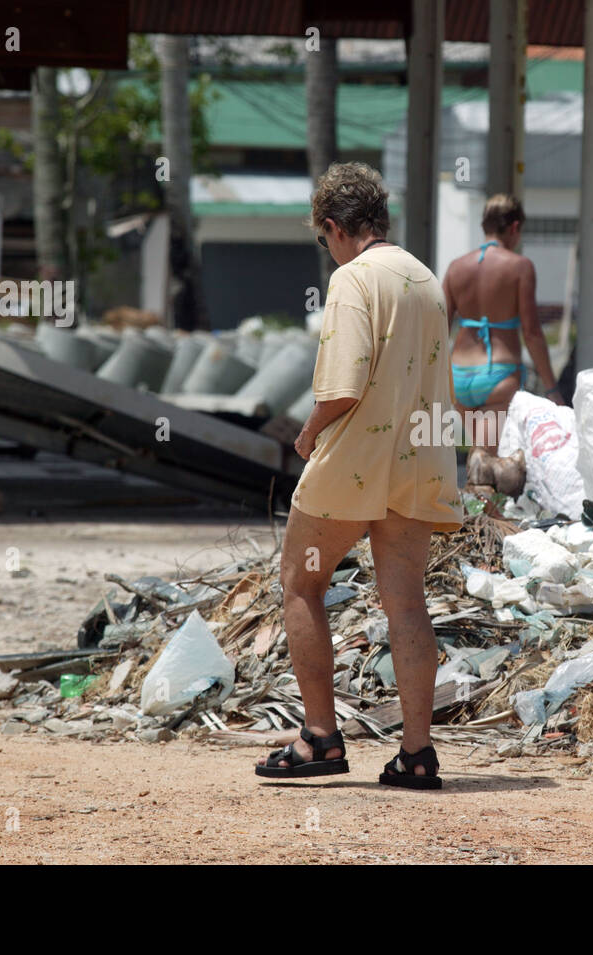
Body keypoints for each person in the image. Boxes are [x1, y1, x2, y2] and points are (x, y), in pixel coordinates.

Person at [255, 162, 464, 789]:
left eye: (324, 242)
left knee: (301, 584)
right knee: (406, 602)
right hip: (420, 460)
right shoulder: (424, 277)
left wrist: (307, 432)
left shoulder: (352, 280)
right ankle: (416, 754)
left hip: (355, 465)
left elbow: (343, 388)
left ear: (332, 228)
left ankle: (319, 737)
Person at [443, 194, 564, 460]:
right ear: (514, 228)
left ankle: (473, 498)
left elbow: (438, 328)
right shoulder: (520, 267)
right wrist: (552, 389)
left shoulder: (455, 268)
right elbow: (531, 333)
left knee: (481, 455)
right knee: (489, 464)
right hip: (498, 374)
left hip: (459, 375)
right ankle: (479, 499)